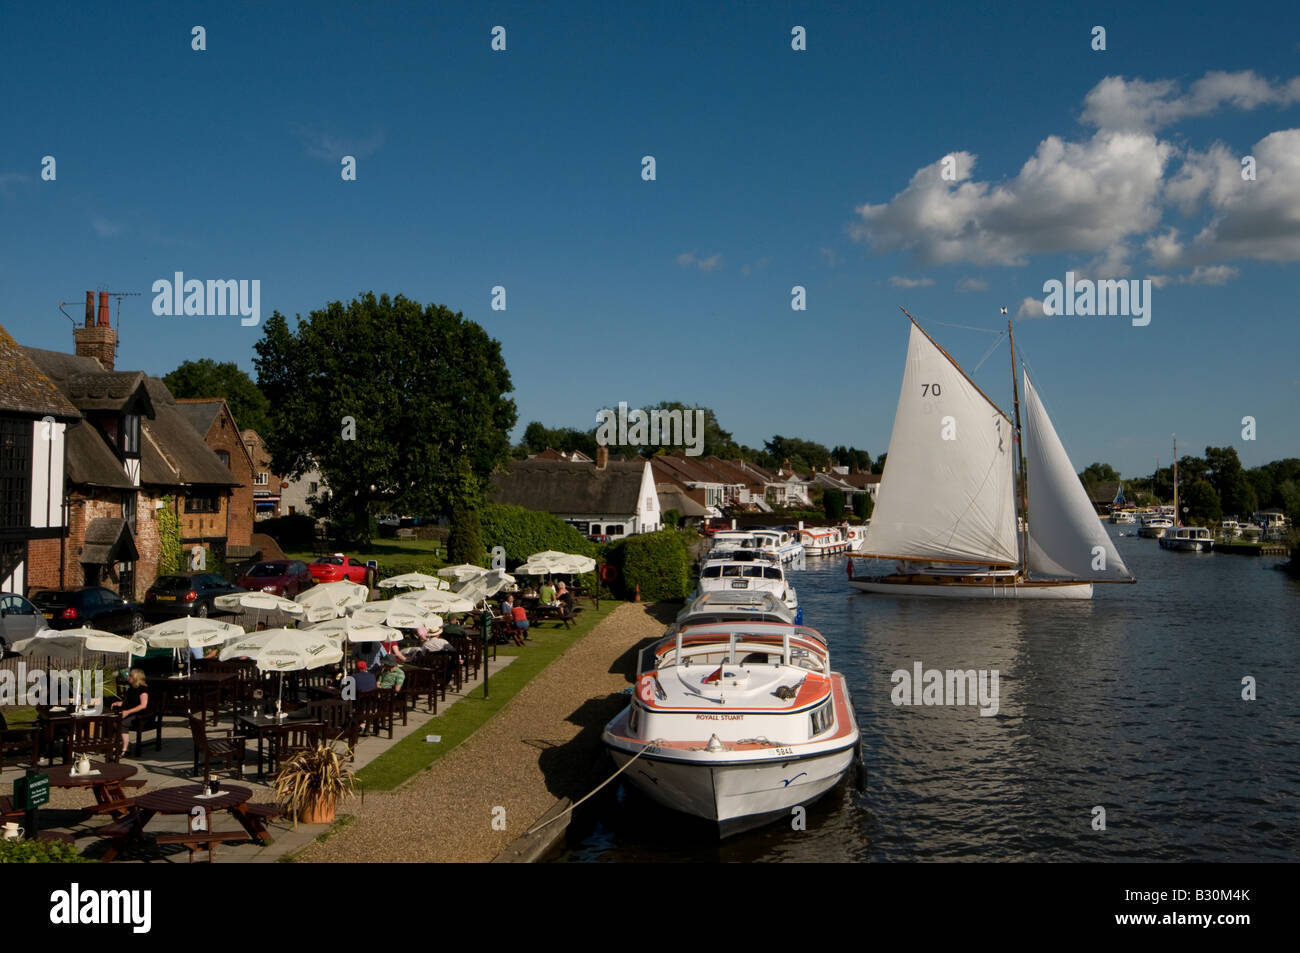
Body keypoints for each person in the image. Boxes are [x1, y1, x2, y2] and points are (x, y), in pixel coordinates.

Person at [111, 669, 149, 757]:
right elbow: (129, 702)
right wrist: (119, 703)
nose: (128, 678)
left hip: (141, 716)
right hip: (132, 714)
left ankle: (126, 748)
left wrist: (128, 712)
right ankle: (116, 744)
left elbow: (143, 705)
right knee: (113, 720)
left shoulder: (143, 690)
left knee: (121, 723)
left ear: (135, 678)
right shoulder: (132, 688)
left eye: (130, 676)